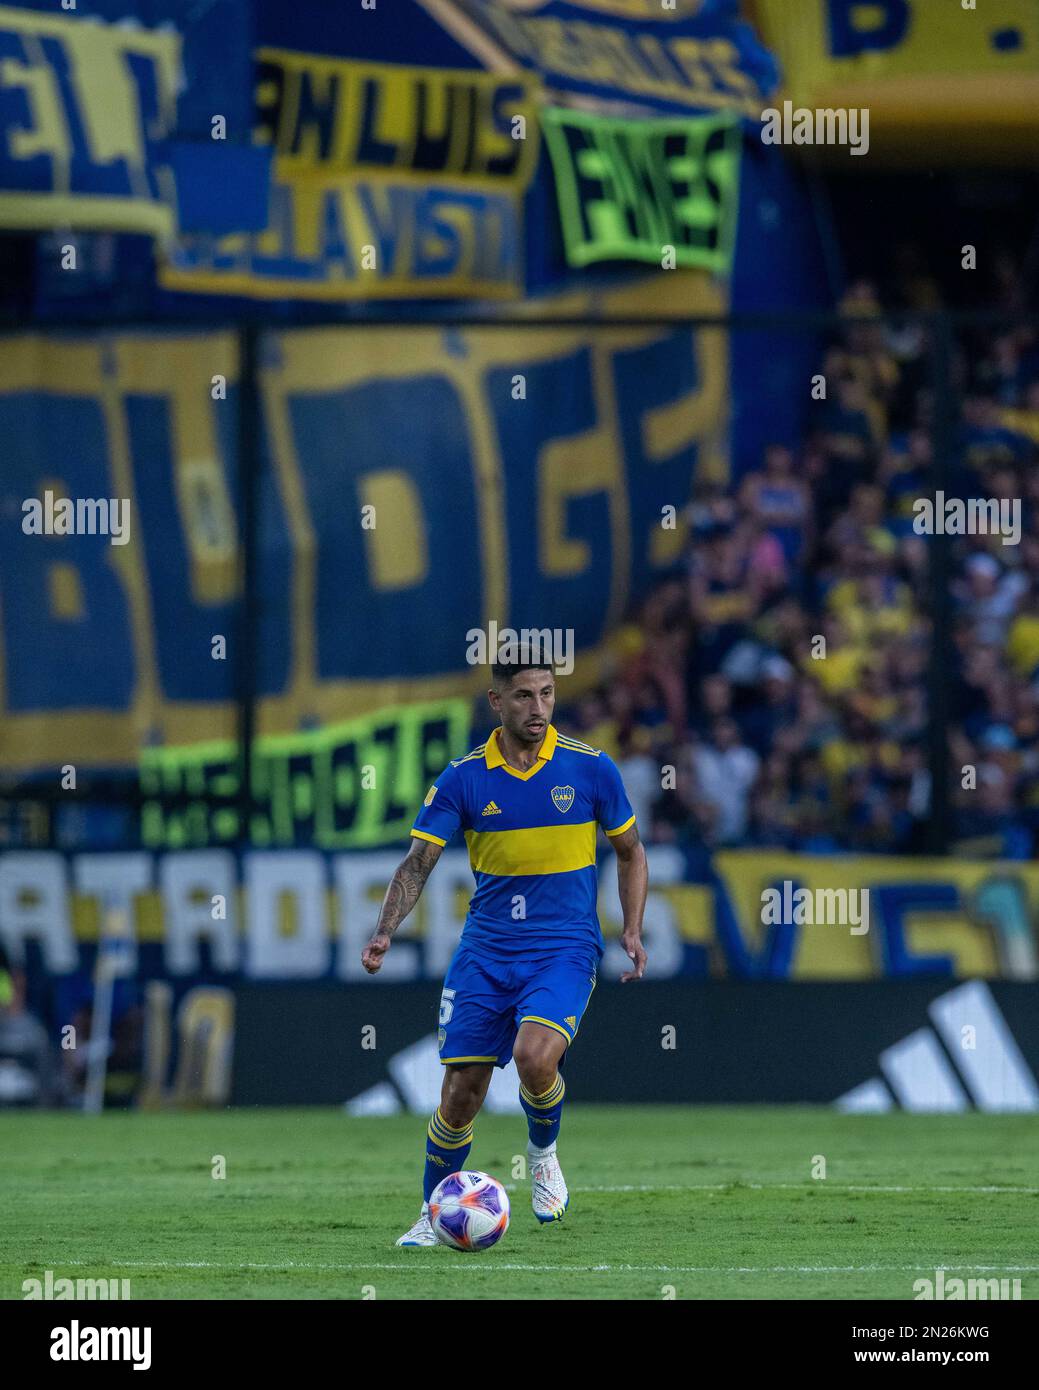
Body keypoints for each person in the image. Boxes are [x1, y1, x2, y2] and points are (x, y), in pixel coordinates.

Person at [361, 656, 648, 1246]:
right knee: (460, 1094)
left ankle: (543, 1153)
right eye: (523, 696)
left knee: (535, 1058)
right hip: (486, 952)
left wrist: (632, 928)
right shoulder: (463, 778)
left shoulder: (591, 769)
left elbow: (631, 852)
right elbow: (419, 861)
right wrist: (386, 928)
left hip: (564, 946)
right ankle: (434, 1212)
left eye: (546, 694)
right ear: (497, 702)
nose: (538, 708)